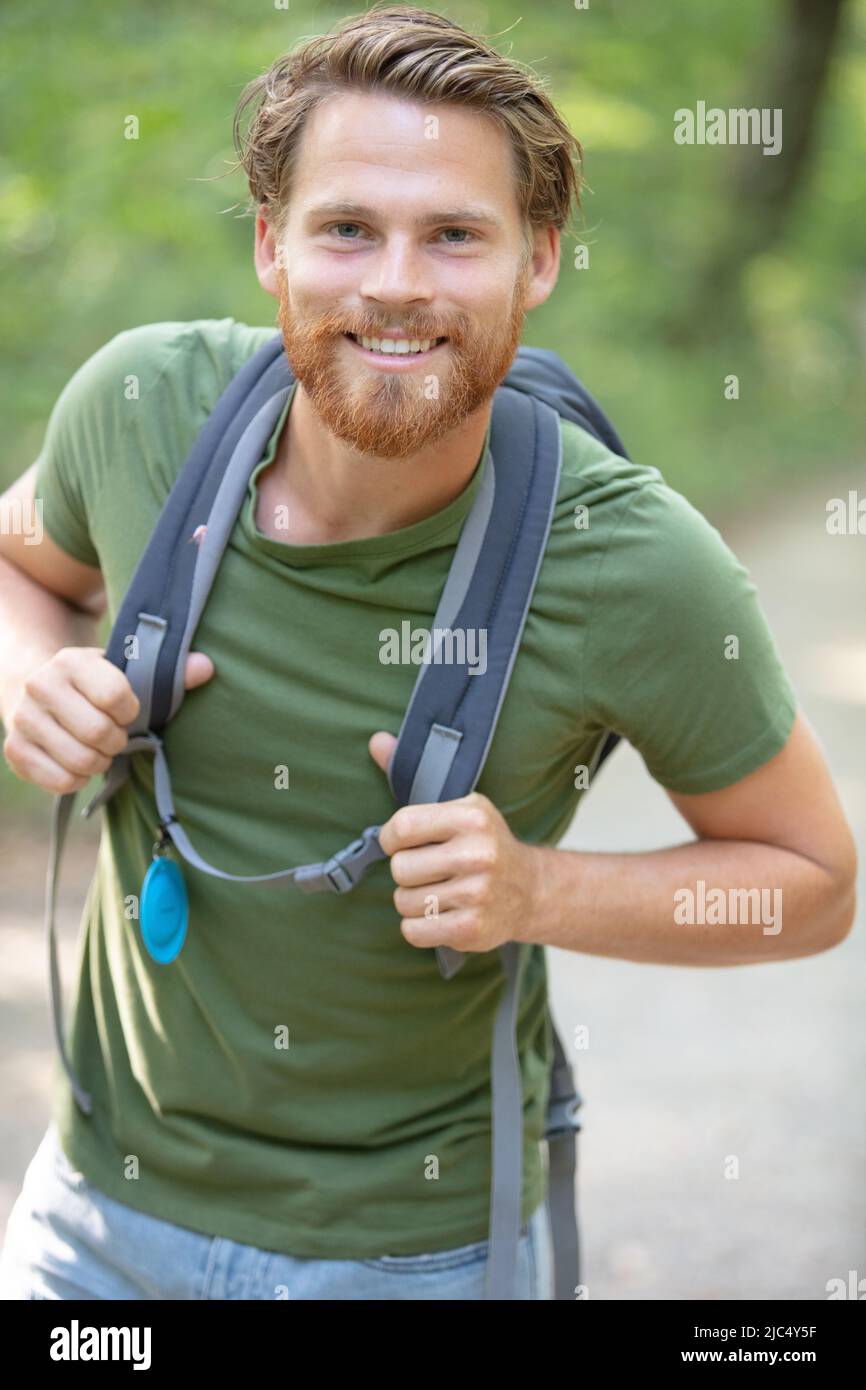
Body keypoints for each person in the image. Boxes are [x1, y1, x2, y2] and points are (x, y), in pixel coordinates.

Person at [0, 5, 856, 1301]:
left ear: (539, 259)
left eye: (454, 234)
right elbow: (17, 564)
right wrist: (27, 678)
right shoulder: (138, 408)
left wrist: (536, 891)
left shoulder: (634, 561)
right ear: (270, 248)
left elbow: (812, 880)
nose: (395, 280)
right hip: (91, 1234)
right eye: (346, 228)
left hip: (417, 1259)